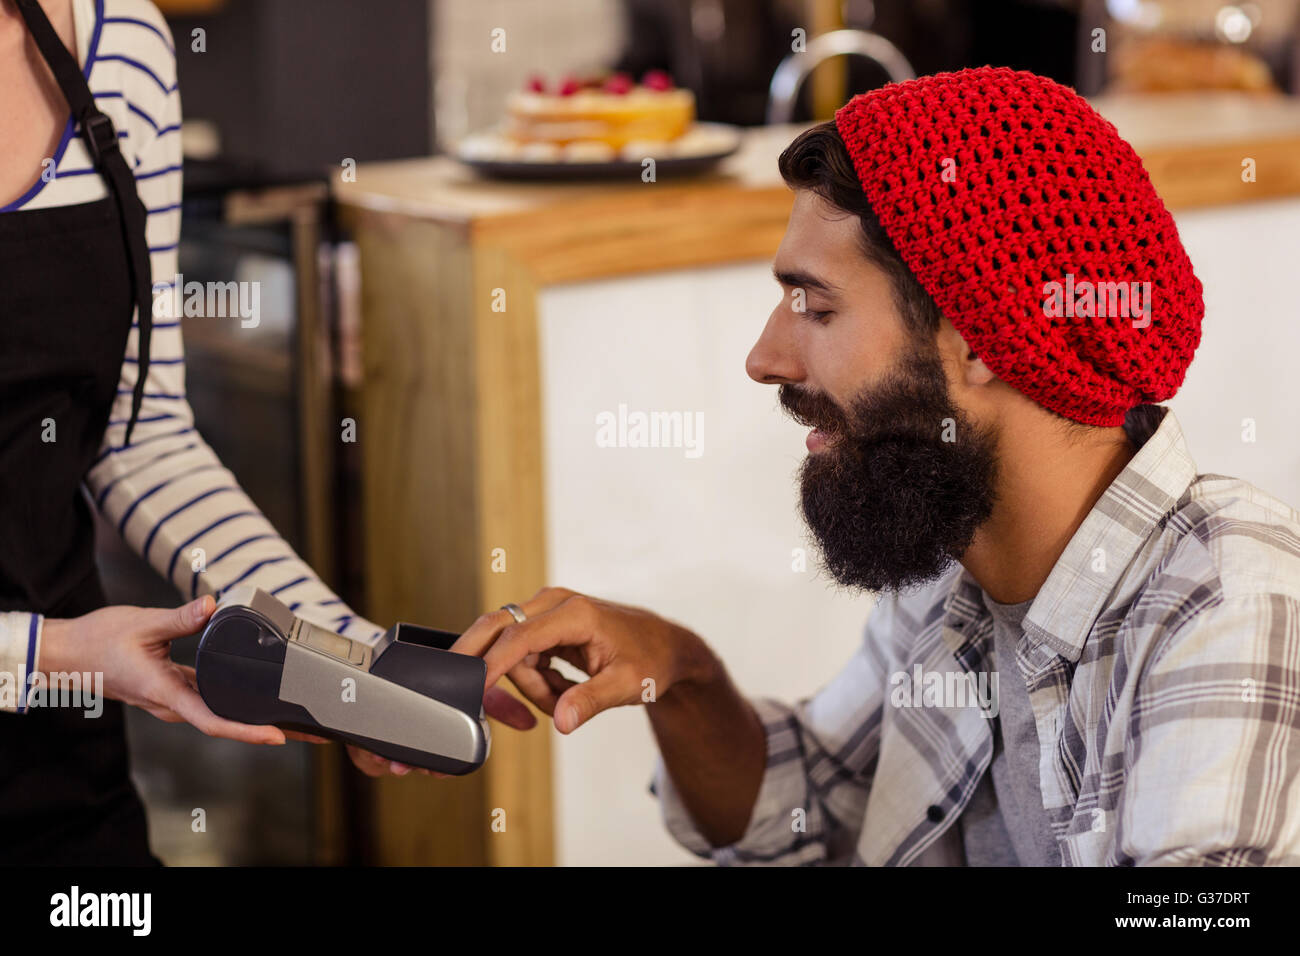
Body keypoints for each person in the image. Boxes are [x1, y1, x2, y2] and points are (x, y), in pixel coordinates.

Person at [454, 67, 1300, 865]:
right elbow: (809, 811)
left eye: (815, 307)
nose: (765, 357)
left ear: (981, 340)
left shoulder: (1226, 602)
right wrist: (682, 673)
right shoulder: (951, 560)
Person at [0, 0, 533, 865]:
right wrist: (50, 654)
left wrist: (346, 658)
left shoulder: (119, 43)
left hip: (59, 779)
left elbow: (142, 436)